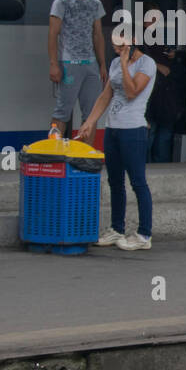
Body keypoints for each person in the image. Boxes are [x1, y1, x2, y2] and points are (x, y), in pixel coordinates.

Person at [76, 25, 156, 251]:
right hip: (113, 129)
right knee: (115, 181)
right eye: (114, 45)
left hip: (134, 129)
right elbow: (105, 96)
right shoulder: (113, 64)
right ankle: (117, 228)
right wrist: (90, 122)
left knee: (138, 181)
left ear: (132, 42)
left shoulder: (146, 63)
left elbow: (131, 92)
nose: (116, 49)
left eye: (120, 45)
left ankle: (144, 234)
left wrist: (124, 62)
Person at [48, 0, 107, 137]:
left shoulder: (95, 3)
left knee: (91, 115)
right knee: (62, 111)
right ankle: (55, 155)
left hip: (90, 64)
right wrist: (54, 64)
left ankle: (85, 160)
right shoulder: (61, 2)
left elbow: (98, 35)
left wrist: (102, 64)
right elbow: (52, 34)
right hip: (69, 63)